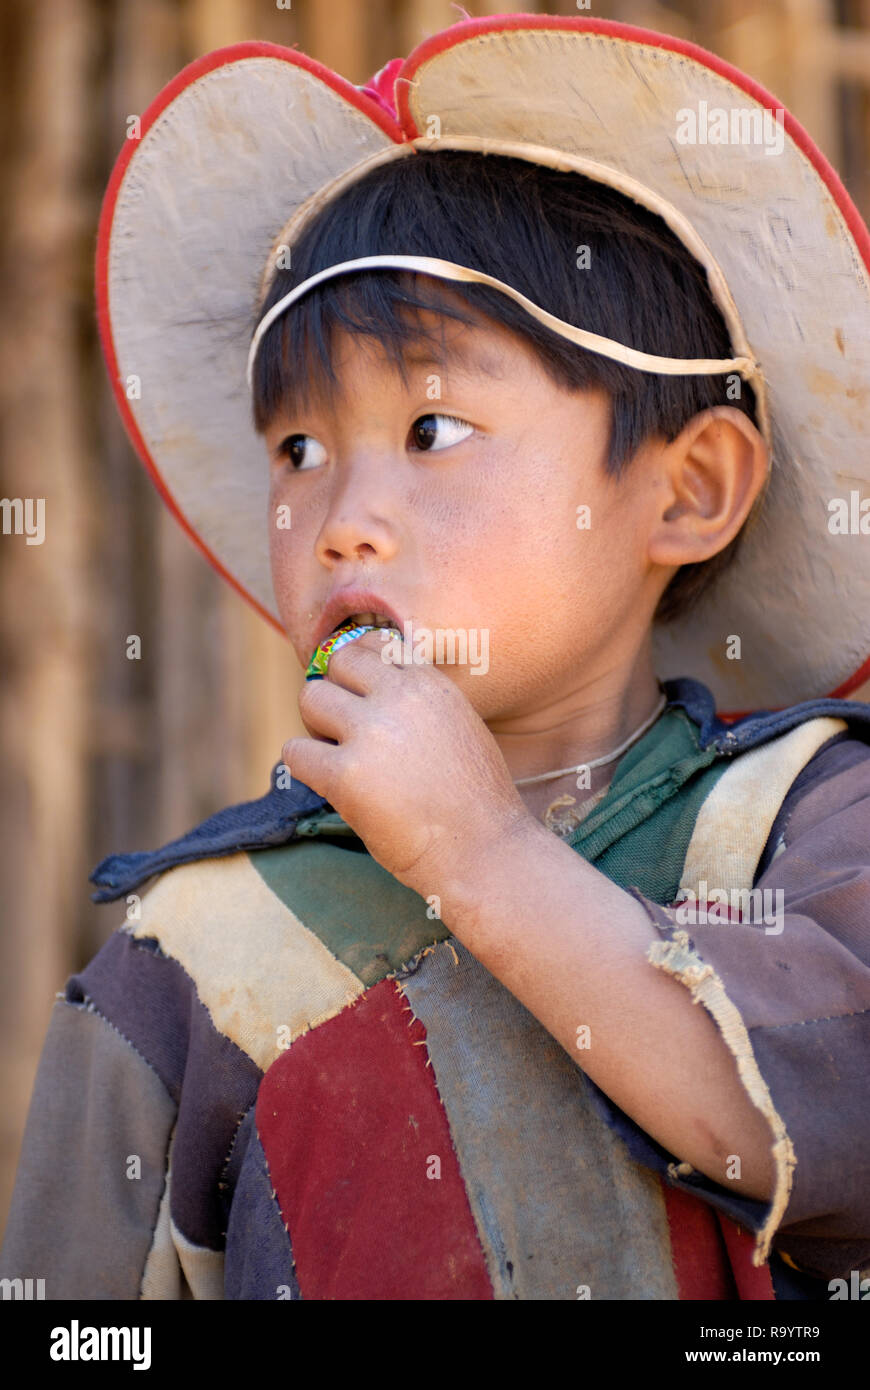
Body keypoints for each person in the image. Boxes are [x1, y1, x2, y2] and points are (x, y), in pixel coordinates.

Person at [2, 13, 870, 1301]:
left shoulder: (807, 829)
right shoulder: (188, 954)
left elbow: (833, 1136)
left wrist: (481, 855)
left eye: (433, 425)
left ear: (687, 490)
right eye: (297, 452)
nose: (341, 514)